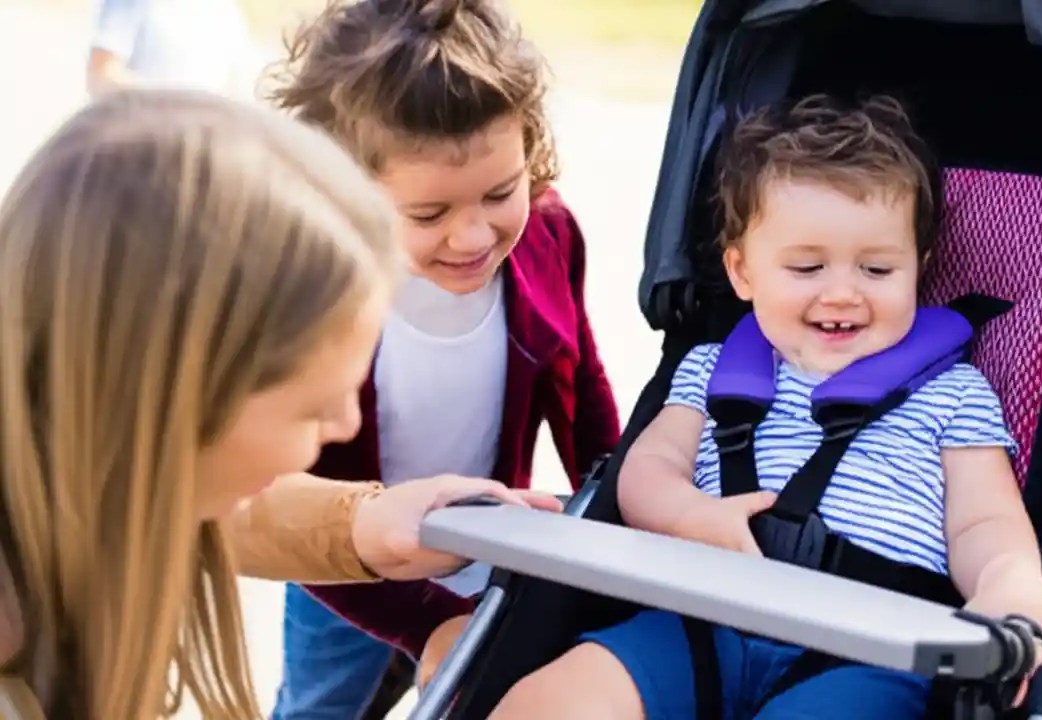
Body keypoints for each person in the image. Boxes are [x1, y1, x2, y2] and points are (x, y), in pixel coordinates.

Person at [0, 87, 560, 720]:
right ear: (182, 398)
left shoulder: (77, 482)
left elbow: (204, 506)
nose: (346, 423)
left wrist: (364, 523)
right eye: (313, 407)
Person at [490, 94, 1042, 719]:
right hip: (698, 623)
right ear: (742, 272)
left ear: (920, 270)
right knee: (552, 701)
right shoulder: (710, 372)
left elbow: (987, 525)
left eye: (877, 269)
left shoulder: (955, 394)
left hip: (869, 655)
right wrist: (691, 515)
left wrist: (1010, 594)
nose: (843, 293)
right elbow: (644, 472)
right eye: (807, 267)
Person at [261, 0, 621, 716]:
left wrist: (617, 523)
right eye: (429, 215)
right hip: (345, 576)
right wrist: (424, 624)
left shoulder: (550, 233)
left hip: (486, 556)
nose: (474, 236)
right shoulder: (312, 293)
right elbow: (284, 491)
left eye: (500, 192)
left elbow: (583, 379)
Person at [86, 0, 255, 98]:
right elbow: (101, 75)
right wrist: (175, 105)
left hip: (203, 145)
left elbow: (236, 90)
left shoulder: (228, 11)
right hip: (142, 140)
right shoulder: (131, 3)